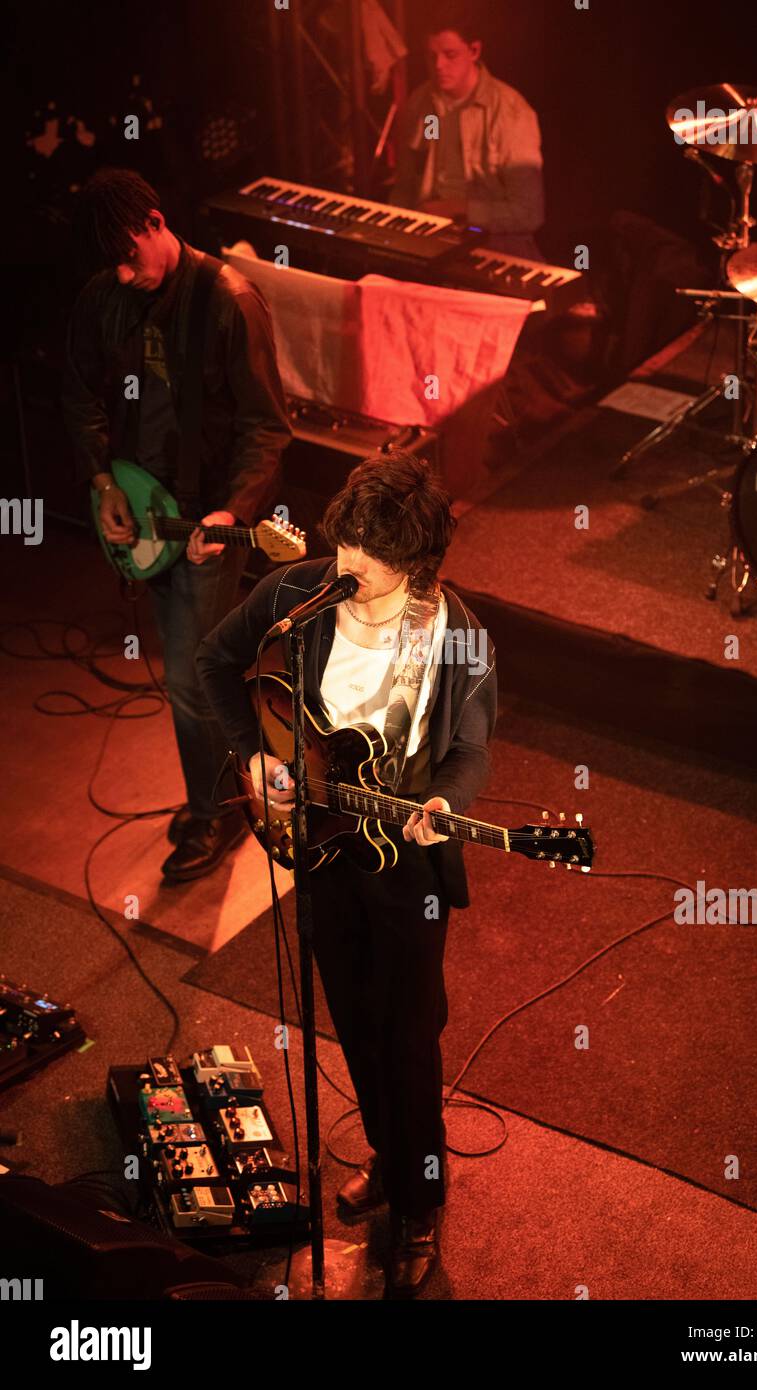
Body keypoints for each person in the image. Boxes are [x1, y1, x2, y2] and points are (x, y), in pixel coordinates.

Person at [195, 450, 497, 1296]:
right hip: (322, 847)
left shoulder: (457, 630)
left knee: (410, 1033)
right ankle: (389, 1156)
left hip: (408, 866)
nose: (351, 562)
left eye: (372, 551)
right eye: (348, 540)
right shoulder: (302, 595)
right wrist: (253, 757)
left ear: (416, 560)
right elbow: (214, 661)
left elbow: (472, 750)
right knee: (355, 1022)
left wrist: (441, 800)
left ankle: (422, 1196)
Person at [63, 168, 293, 882]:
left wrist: (232, 512)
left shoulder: (228, 299)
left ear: (157, 222)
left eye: (131, 254)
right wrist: (104, 482)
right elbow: (78, 390)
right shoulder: (107, 295)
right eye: (114, 263)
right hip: (141, 508)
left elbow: (266, 426)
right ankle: (217, 793)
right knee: (186, 674)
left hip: (208, 520)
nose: (126, 272)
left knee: (197, 677)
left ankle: (222, 808)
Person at [391, 1, 545, 259]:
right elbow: (404, 187)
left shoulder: (511, 112)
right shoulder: (418, 103)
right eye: (431, 56)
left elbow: (529, 213)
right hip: (429, 242)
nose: (438, 65)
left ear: (474, 51)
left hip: (495, 249)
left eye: (450, 55)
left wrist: (459, 209)